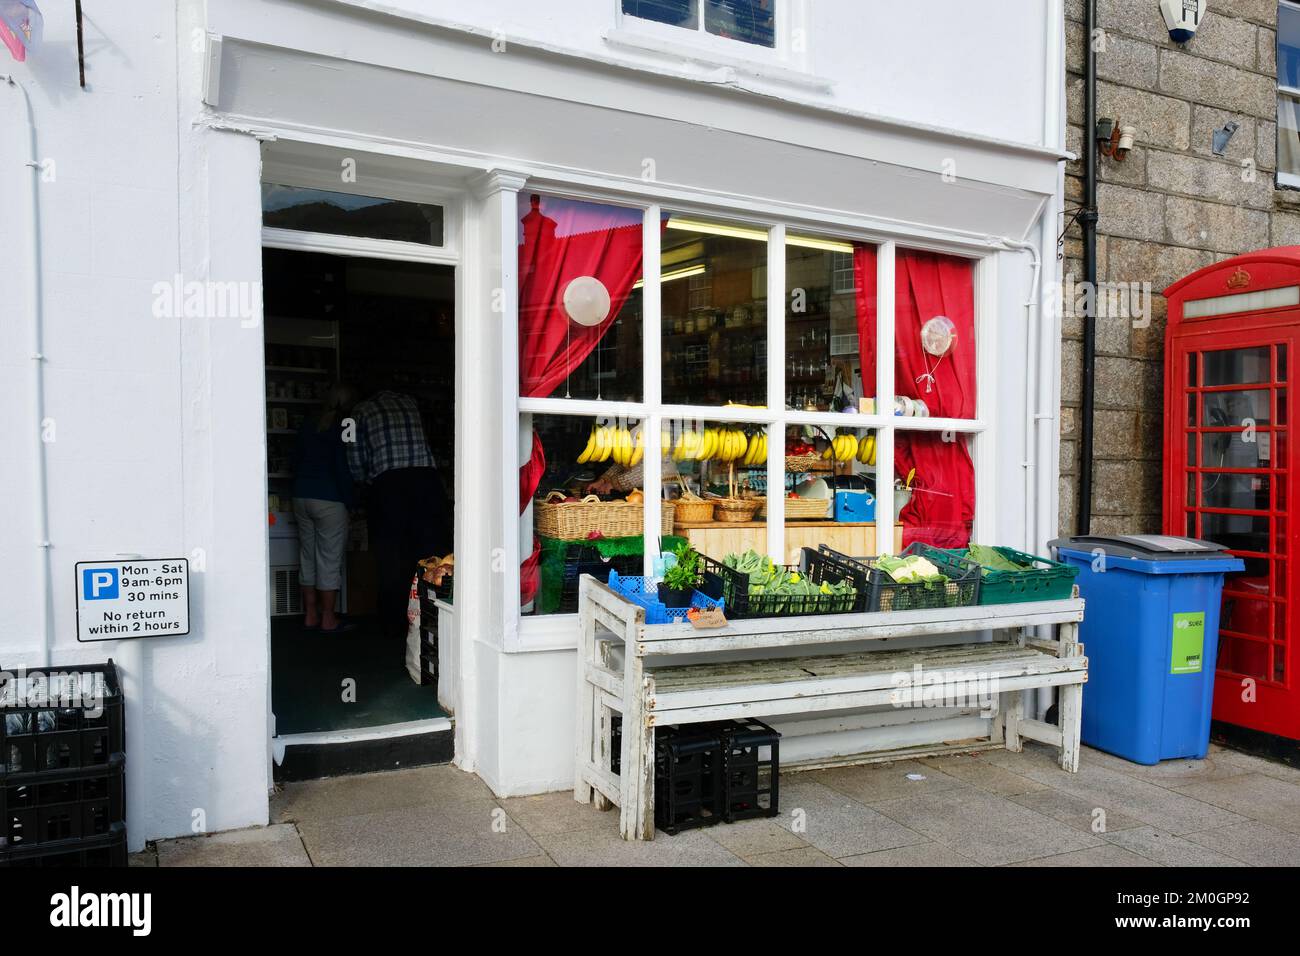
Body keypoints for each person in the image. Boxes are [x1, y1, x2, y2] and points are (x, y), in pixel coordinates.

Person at [347, 388, 452, 638]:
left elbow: (355, 457)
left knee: (391, 555)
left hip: (389, 484)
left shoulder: (359, 411)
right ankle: (436, 619)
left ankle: (394, 626)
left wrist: (363, 484)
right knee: (432, 553)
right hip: (427, 480)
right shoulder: (410, 401)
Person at [292, 383, 357, 633]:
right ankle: (329, 618)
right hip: (330, 498)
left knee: (307, 556)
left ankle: (310, 615)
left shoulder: (309, 423)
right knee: (328, 560)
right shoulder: (345, 426)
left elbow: (295, 460)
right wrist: (351, 500)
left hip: (301, 496)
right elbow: (343, 466)